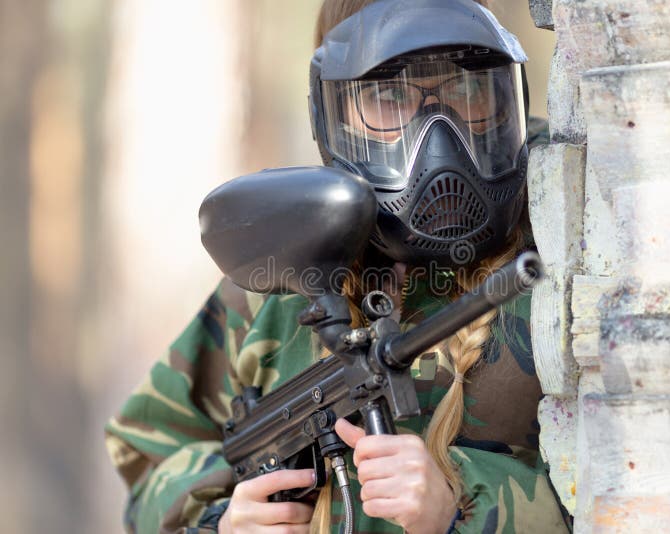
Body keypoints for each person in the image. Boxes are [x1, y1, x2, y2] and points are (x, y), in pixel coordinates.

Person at [105, 0, 571, 532]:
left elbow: (639, 487)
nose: (436, 132)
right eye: (388, 96)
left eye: (467, 88)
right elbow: (148, 452)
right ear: (333, 116)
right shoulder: (285, 266)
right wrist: (222, 520)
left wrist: (461, 502)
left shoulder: (571, 248)